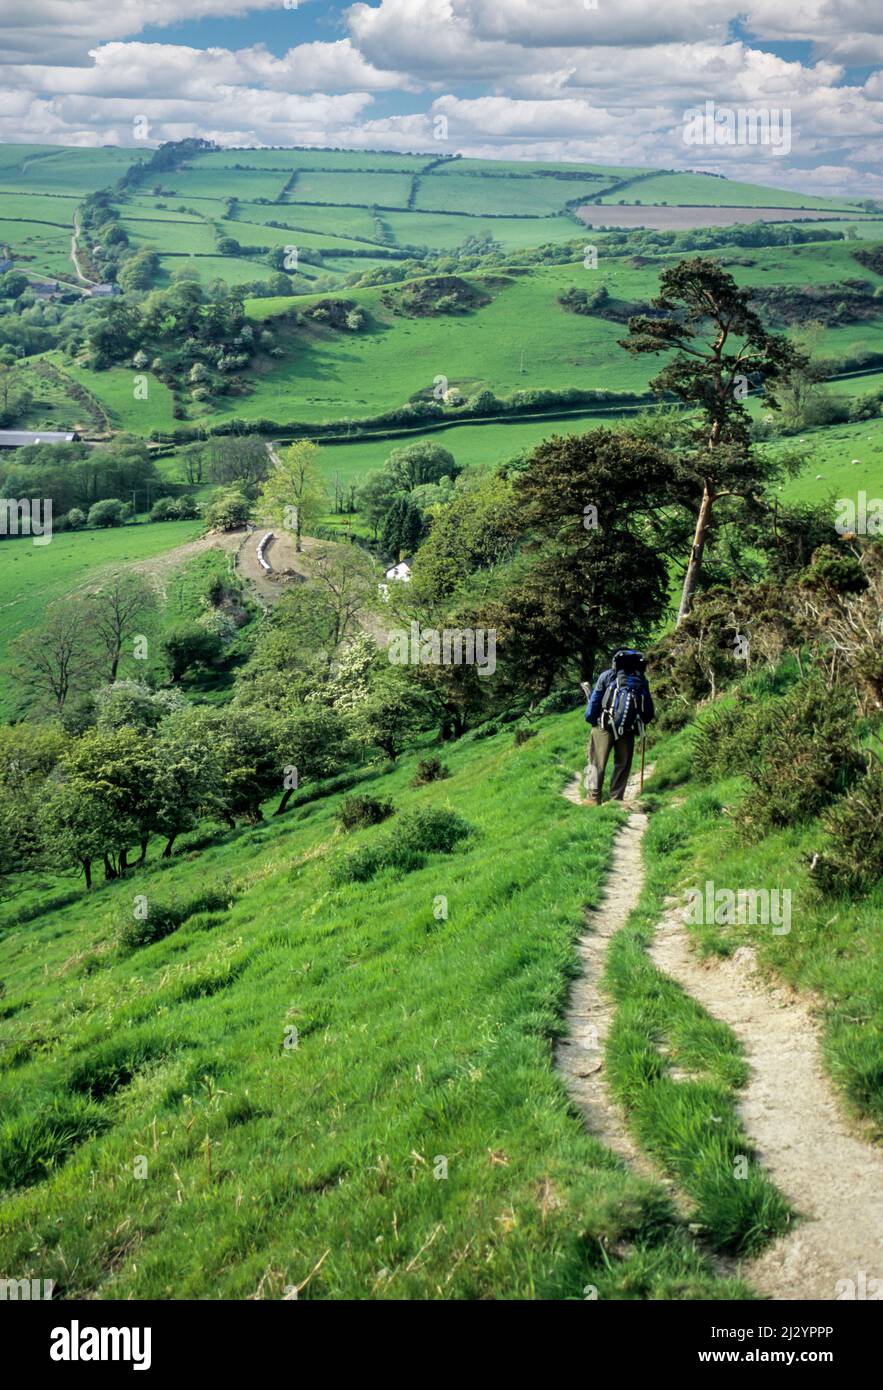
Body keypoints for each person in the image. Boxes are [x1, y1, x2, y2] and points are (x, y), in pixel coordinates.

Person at [582, 649, 654, 804]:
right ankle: (616, 799)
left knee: (595, 763)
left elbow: (595, 701)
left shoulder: (607, 676)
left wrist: (591, 720)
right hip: (627, 728)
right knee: (622, 764)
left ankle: (593, 798)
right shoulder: (641, 679)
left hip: (603, 726)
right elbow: (648, 709)